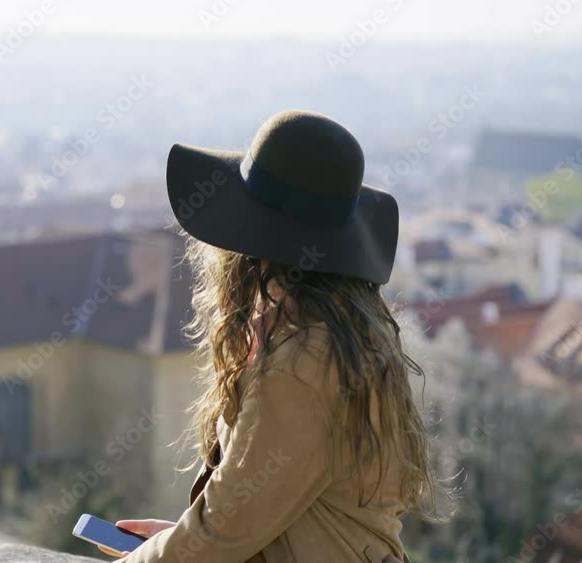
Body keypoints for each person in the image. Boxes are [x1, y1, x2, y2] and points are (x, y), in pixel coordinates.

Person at [101, 110, 434, 562]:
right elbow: (275, 512)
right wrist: (176, 540)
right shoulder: (343, 335)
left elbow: (223, 530)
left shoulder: (303, 364)